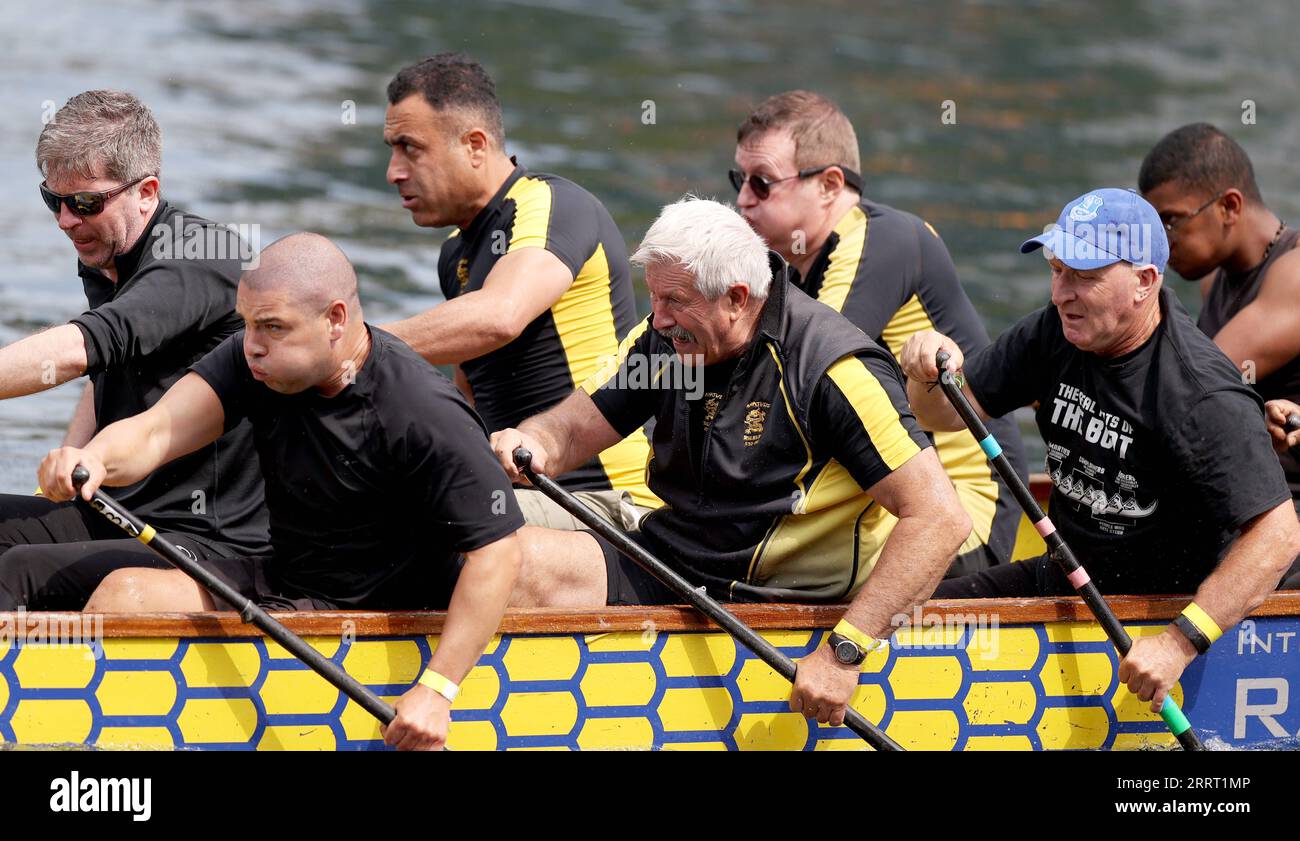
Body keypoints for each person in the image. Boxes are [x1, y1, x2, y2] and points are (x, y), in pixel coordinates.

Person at [490, 198, 971, 727]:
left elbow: (940, 518)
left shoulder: (831, 368)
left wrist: (845, 652)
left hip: (770, 595)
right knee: (483, 538)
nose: (660, 318)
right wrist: (534, 439)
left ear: (738, 299)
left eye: (674, 301)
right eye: (653, 297)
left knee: (506, 565)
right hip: (672, 555)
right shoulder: (665, 342)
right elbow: (573, 428)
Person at [38, 233, 524, 751]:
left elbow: (497, 551)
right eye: (246, 322)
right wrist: (94, 458)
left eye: (272, 327)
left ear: (335, 319)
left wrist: (437, 689)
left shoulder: (420, 408)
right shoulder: (256, 363)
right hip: (286, 575)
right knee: (123, 596)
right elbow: (158, 430)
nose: (251, 343)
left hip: (378, 609)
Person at [899, 187, 1300, 712]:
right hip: (1066, 574)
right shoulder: (1057, 331)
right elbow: (943, 415)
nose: (1062, 292)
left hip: (1155, 610)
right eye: (1056, 268)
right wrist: (924, 369)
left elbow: (1278, 536)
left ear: (1145, 283)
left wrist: (1179, 643)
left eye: (1085, 277)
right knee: (903, 619)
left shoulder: (1198, 393)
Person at [731, 90, 1027, 577]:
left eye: (761, 183)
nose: (742, 198)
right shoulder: (793, 263)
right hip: (892, 498)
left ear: (829, 184)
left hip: (966, 517)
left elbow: (798, 379)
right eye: (738, 180)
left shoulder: (884, 240)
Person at [0, 90, 268, 610]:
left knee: (19, 568)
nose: (64, 220)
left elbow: (84, 348)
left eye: (84, 203)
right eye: (52, 200)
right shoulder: (106, 251)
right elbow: (102, 375)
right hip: (119, 504)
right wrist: (64, 468)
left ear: (146, 192)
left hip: (207, 536)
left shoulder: (200, 256)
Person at [379, 53, 658, 531]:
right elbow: (466, 407)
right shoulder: (455, 255)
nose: (393, 171)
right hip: (522, 499)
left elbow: (499, 316)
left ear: (474, 144)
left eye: (410, 148)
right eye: (391, 148)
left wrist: (350, 345)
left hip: (610, 502)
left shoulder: (550, 202)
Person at [1139, 123, 1300, 588]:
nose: (1160, 242)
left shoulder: (1293, 274)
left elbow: (1185, 384)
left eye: (1170, 221)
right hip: (1231, 508)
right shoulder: (1217, 278)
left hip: (1282, 528)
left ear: (1230, 206)